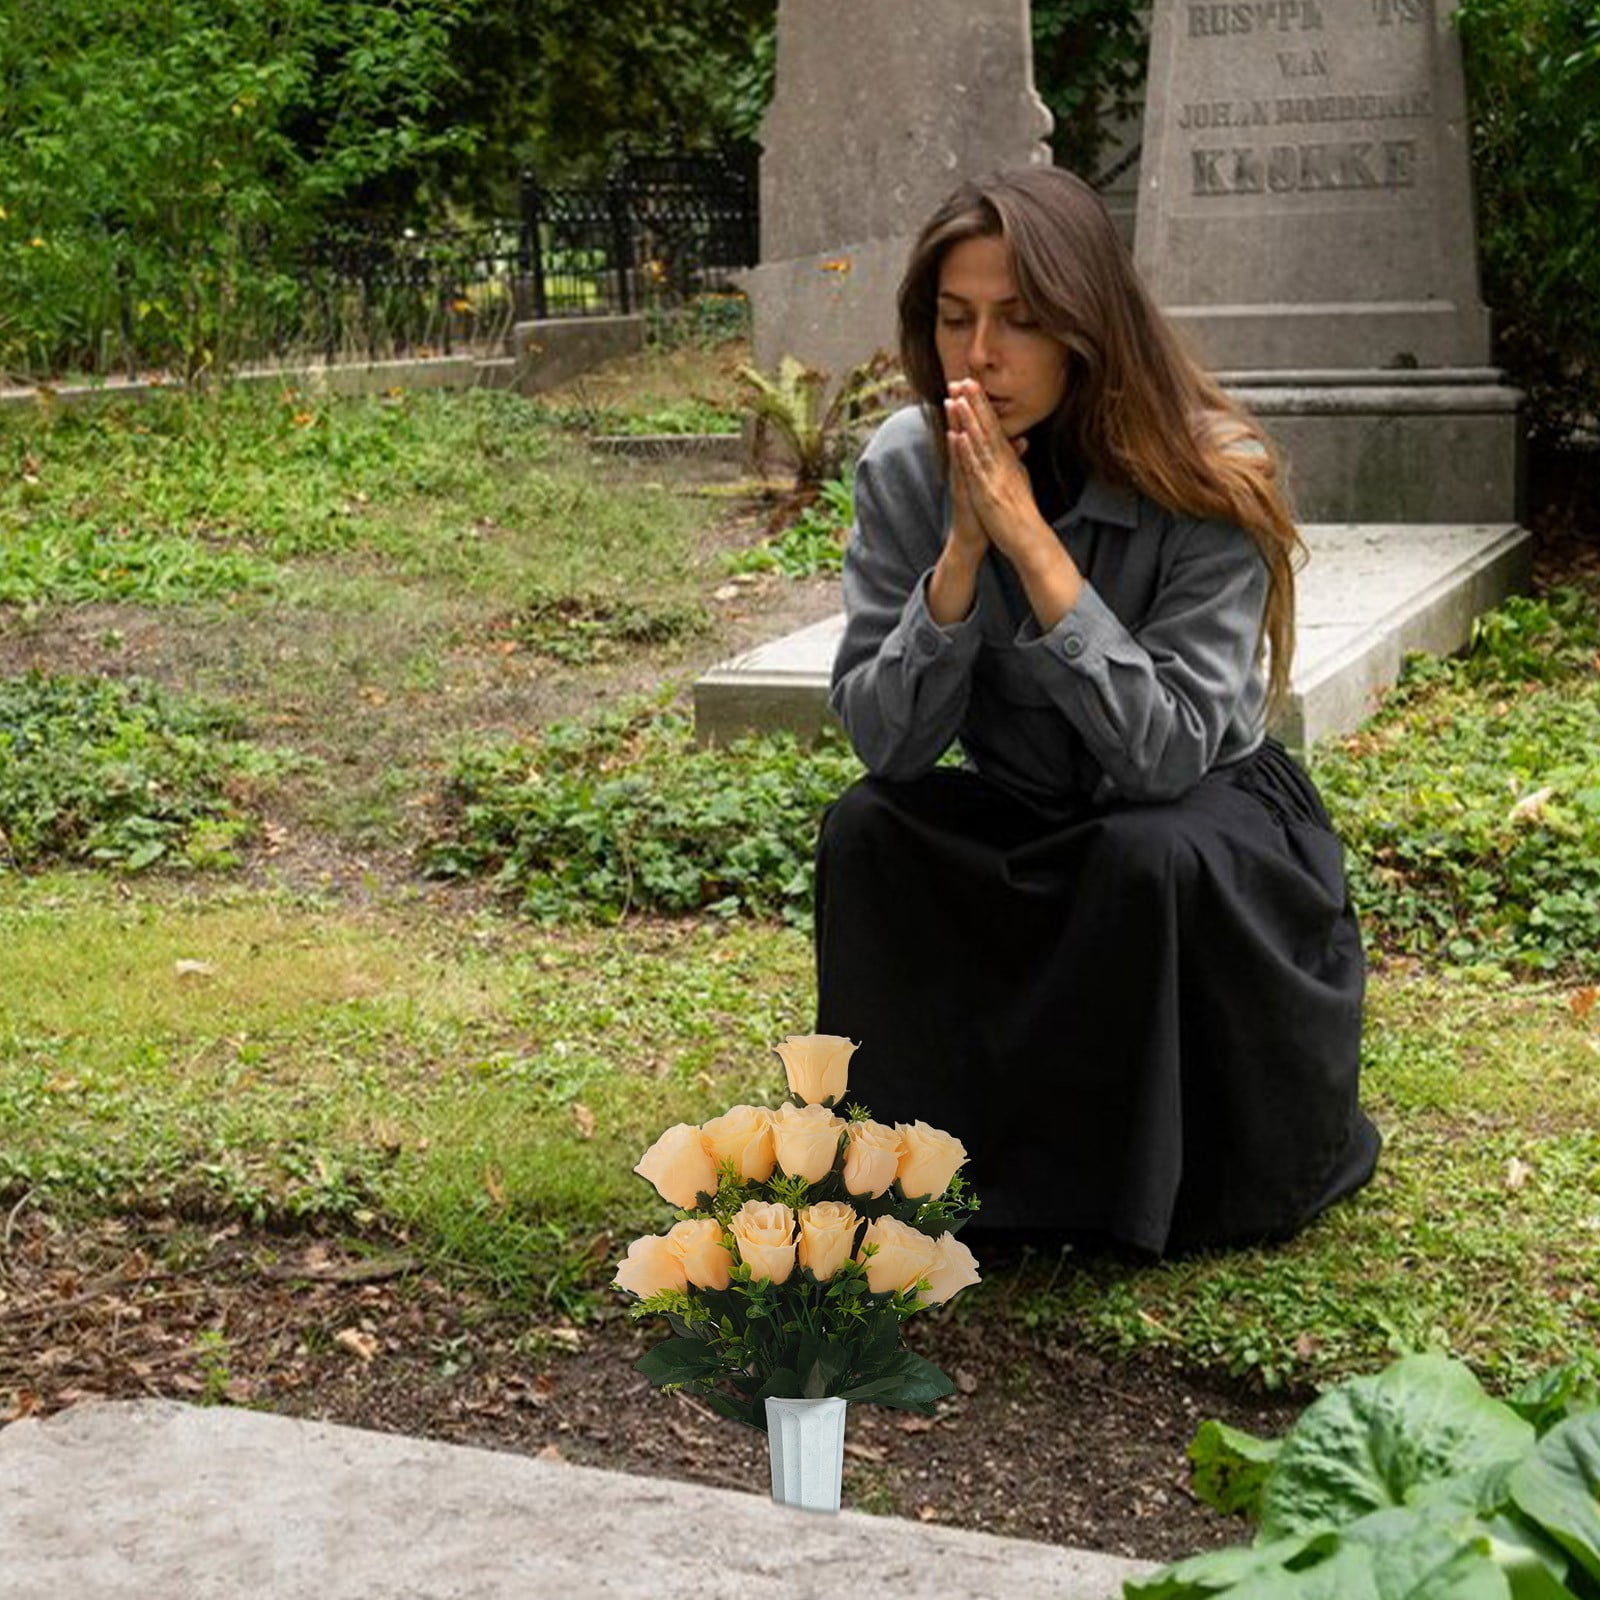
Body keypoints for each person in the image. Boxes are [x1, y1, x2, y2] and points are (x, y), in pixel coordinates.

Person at [813, 167, 1380, 1256]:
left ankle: (1134, 1189)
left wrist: (1031, 542)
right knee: (868, 828)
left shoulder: (1213, 469)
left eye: (1020, 321)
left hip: (1206, 821)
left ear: (1087, 326)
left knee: (1142, 849)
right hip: (1031, 805)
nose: (979, 355)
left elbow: (1165, 755)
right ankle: (926, 1160)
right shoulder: (904, 465)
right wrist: (962, 558)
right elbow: (887, 746)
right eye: (953, 319)